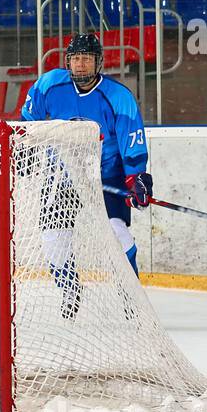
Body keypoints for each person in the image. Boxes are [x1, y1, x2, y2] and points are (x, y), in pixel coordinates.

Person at [20, 33, 153, 307]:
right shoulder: (50, 85)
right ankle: (70, 291)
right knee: (54, 242)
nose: (80, 65)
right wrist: (26, 149)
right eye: (76, 59)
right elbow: (27, 122)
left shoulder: (118, 97)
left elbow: (132, 141)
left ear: (99, 62)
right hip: (62, 176)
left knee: (117, 233)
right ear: (68, 62)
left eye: (87, 59)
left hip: (106, 175)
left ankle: (131, 295)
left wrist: (136, 177)